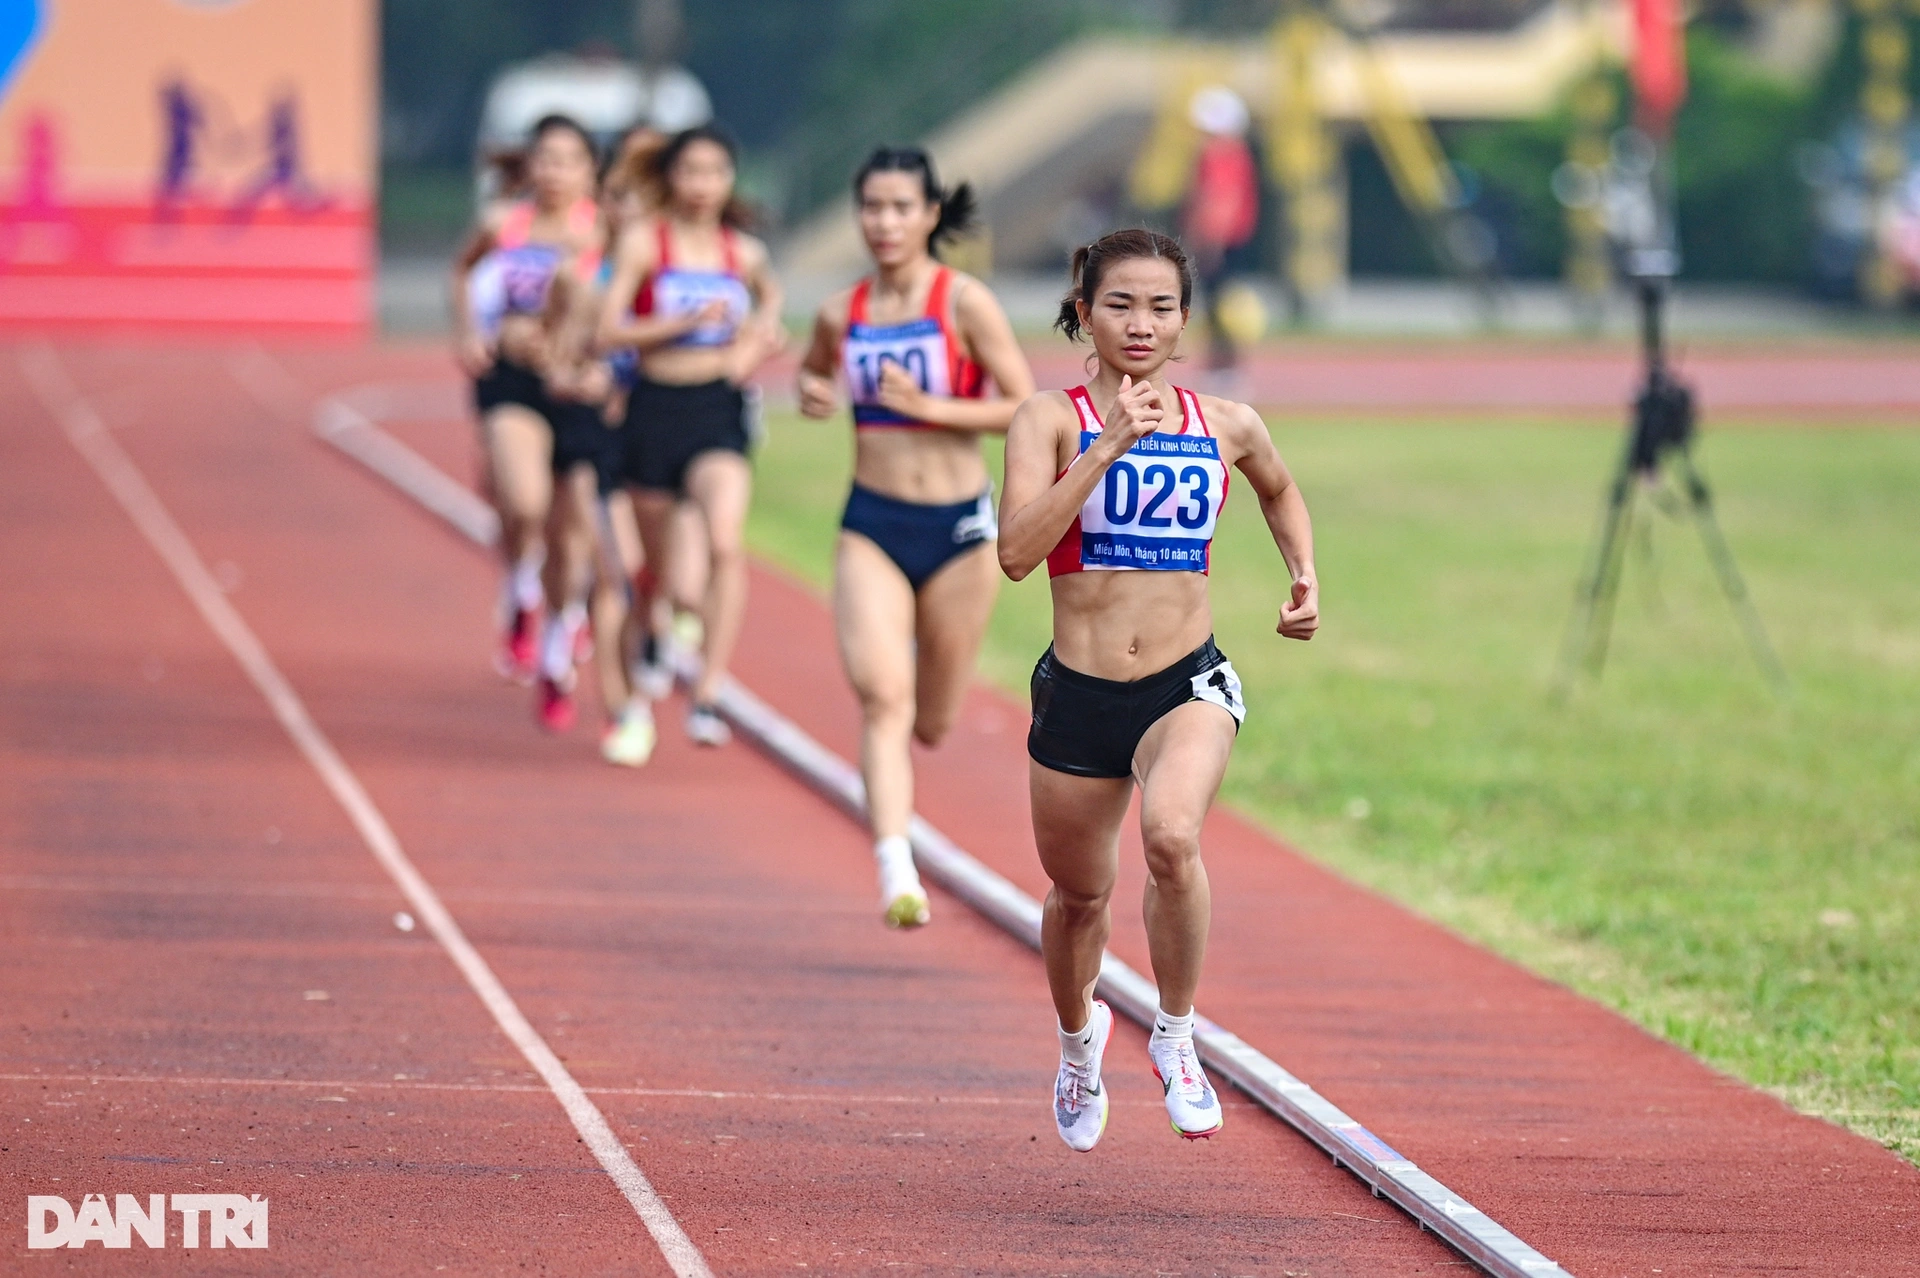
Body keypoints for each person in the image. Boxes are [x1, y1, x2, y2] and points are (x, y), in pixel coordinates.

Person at [997, 228, 1318, 1151]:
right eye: (1121, 305)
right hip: (1079, 696)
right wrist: (1102, 450)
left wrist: (1305, 574)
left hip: (1186, 683)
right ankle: (1076, 1041)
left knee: (1172, 838)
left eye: (1163, 307)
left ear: (1186, 318)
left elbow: (1280, 489)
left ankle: (1177, 1035)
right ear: (1085, 311)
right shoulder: (1048, 420)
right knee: (1078, 898)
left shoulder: (1226, 422)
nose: (1142, 324)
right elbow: (1017, 553)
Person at [797, 148, 1034, 928]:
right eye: (872, 207)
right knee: (882, 696)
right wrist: (815, 392)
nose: (885, 222)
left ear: (931, 214)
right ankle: (896, 865)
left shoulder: (963, 303)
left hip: (961, 529)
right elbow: (816, 373)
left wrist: (935, 407)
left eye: (901, 207)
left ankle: (903, 821)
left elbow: (1025, 408)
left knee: (931, 718)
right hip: (873, 522)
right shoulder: (842, 313)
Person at [597, 124, 784, 746]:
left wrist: (756, 341)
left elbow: (770, 305)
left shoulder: (744, 254)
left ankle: (706, 692)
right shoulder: (645, 244)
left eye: (715, 173)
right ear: (671, 178)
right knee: (661, 578)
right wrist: (674, 324)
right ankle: (652, 630)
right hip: (654, 408)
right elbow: (608, 330)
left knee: (726, 543)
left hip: (716, 408)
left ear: (730, 179)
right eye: (690, 172)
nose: (703, 186)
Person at [451, 115, 606, 708]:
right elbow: (463, 271)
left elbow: (626, 300)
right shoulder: (504, 224)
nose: (555, 172)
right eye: (545, 158)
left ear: (591, 170)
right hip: (513, 380)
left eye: (569, 160)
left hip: (577, 389)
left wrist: (596, 361)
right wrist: (471, 333)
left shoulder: (607, 232)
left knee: (573, 539)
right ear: (530, 165)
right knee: (523, 500)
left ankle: (558, 648)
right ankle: (521, 588)